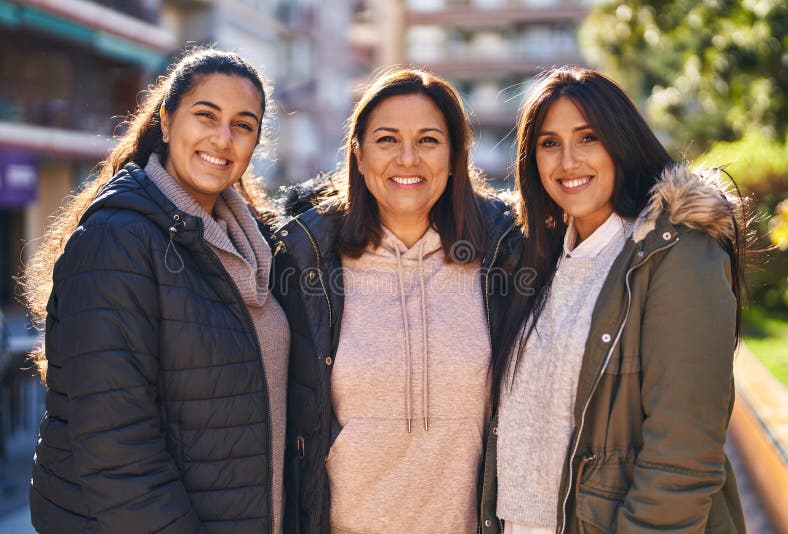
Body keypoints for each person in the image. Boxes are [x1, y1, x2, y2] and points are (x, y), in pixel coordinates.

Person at [24, 48, 289, 533]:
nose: (222, 138)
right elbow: (116, 446)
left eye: (243, 125)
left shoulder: (254, 247)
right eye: (205, 115)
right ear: (166, 122)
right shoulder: (117, 241)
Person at [479, 67, 748, 533]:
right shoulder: (534, 259)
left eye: (588, 138)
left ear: (620, 142)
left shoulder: (675, 254)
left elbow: (682, 458)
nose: (568, 161)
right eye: (549, 143)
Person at [272, 67, 516, 533]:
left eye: (428, 140)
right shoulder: (304, 260)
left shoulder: (504, 254)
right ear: (359, 157)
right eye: (387, 140)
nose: (408, 158)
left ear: (454, 157)